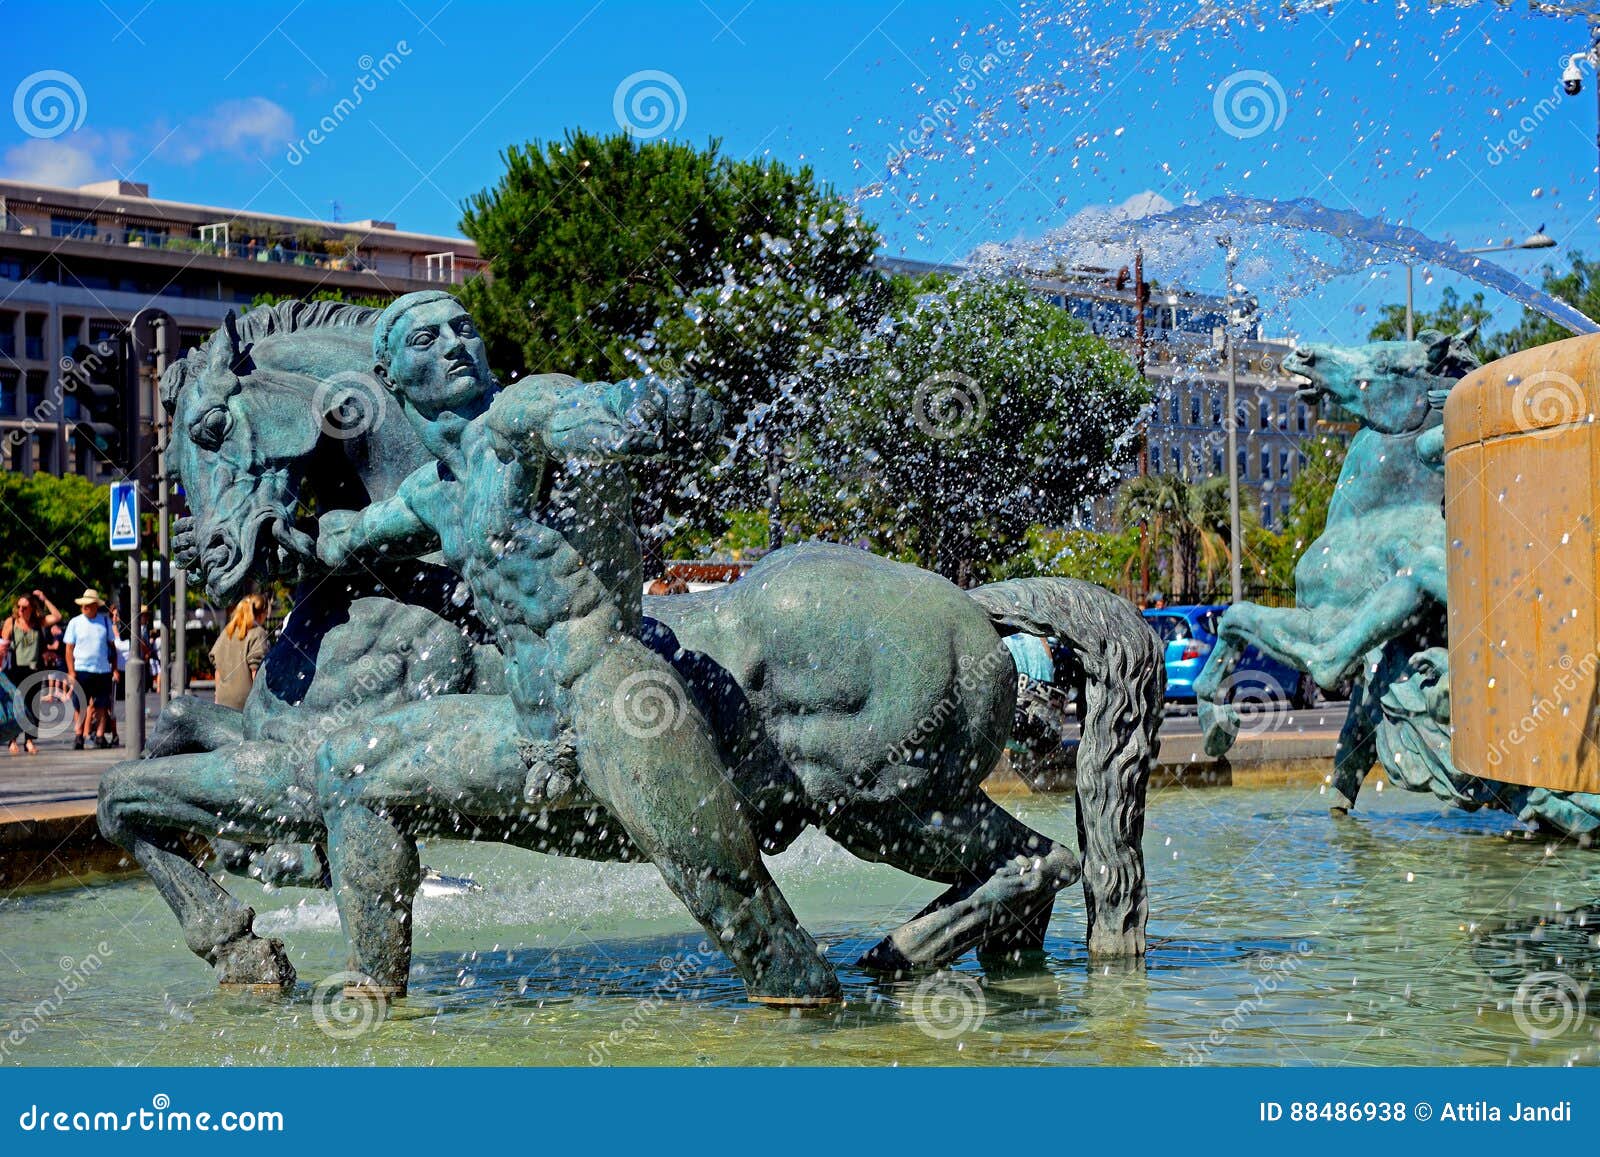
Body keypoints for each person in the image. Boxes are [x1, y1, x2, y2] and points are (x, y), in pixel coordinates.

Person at [314, 290, 837, 1005]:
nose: (455, 345)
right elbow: (351, 536)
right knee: (347, 769)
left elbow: (584, 414)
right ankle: (375, 999)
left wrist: (644, 408)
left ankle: (814, 1023)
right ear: (389, 375)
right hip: (527, 722)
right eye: (428, 339)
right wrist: (302, 528)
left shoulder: (518, 416)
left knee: (740, 910)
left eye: (465, 329)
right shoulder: (431, 494)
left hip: (613, 692)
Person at [3, 589, 63, 754]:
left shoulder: (38, 622)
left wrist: (44, 598)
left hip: (35, 670)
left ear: (32, 608)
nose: (21, 610)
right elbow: (2, 645)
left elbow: (57, 616)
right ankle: (12, 740)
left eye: (25, 607)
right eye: (19, 607)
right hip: (15, 670)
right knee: (16, 707)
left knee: (32, 706)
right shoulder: (11, 622)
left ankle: (29, 740)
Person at [62, 588, 121, 750]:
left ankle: (100, 736)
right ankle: (79, 735)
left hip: (102, 670)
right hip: (81, 669)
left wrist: (114, 669)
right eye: (83, 605)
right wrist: (71, 671)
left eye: (88, 605)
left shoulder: (104, 622)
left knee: (102, 705)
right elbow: (68, 649)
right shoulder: (75, 622)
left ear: (95, 605)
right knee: (79, 704)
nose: (85, 607)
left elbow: (112, 646)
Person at [210, 593, 269, 711]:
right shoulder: (258, 633)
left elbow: (218, 669)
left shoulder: (227, 632)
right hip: (245, 701)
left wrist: (217, 697)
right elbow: (255, 672)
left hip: (223, 699)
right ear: (262, 614)